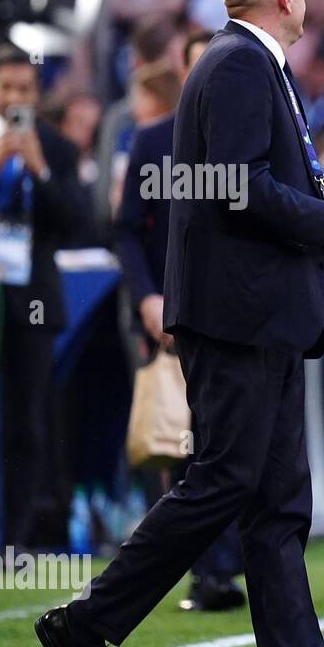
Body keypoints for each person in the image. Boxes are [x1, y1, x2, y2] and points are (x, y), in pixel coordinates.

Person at [36, 0, 324, 647]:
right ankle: (86, 621)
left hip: (258, 312)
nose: (309, 4)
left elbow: (253, 185)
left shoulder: (249, 63)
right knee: (225, 481)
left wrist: (323, 231)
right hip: (241, 316)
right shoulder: (237, 64)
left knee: (275, 500)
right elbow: (240, 187)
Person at [113, 49, 246, 615]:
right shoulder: (151, 140)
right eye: (197, 64)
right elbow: (125, 230)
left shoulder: (242, 133)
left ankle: (221, 568)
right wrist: (146, 296)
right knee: (175, 446)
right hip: (168, 317)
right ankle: (200, 571)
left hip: (230, 316)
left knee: (221, 449)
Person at [0, 43, 87, 550]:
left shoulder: (56, 147)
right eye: (6, 87)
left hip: (33, 301)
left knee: (26, 422)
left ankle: (15, 540)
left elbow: (78, 220)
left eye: (24, 89)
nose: (14, 98)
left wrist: (40, 172)